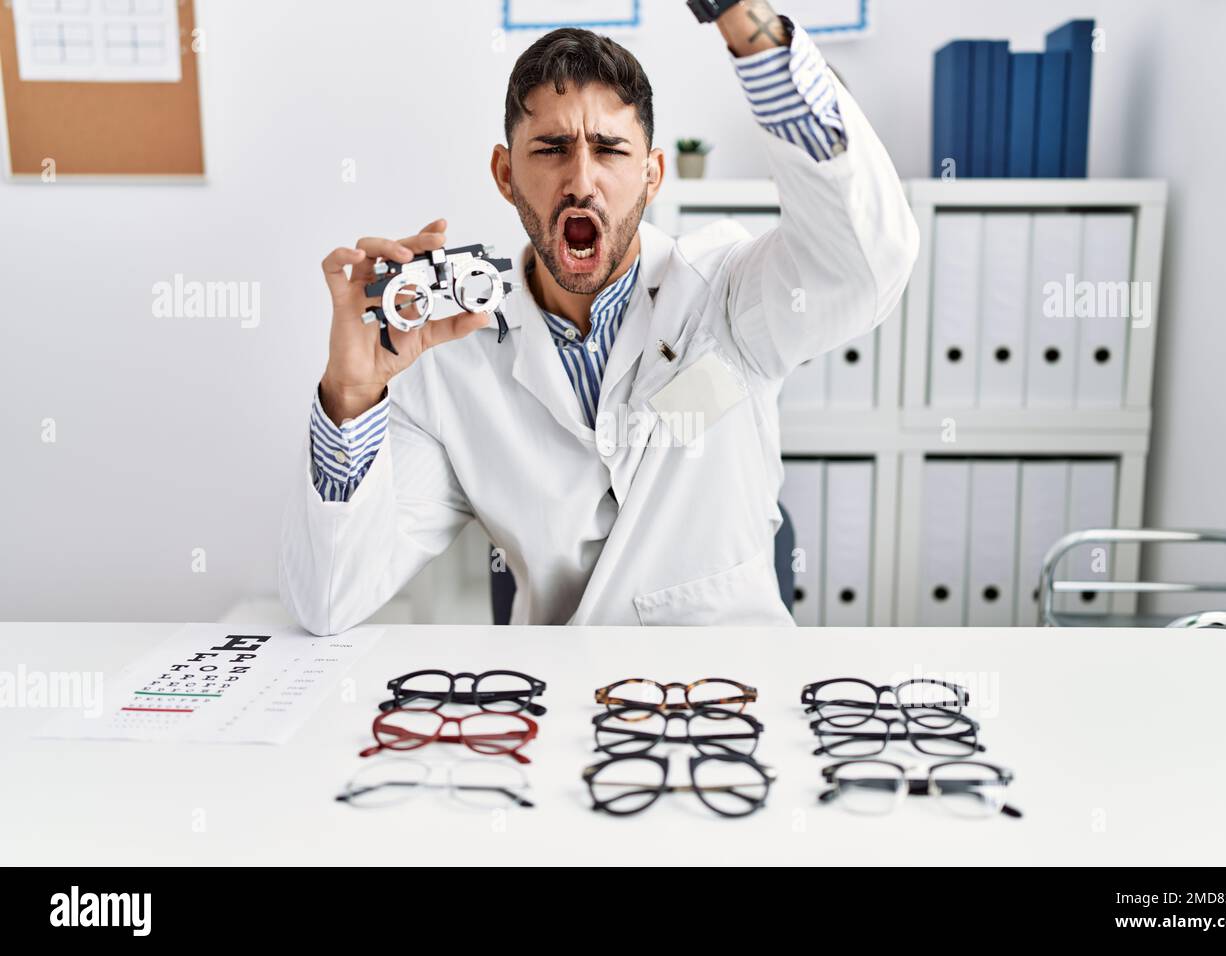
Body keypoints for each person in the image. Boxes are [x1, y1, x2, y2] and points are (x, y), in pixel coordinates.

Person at [279, 0, 918, 634]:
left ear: (651, 174)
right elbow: (331, 599)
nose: (581, 181)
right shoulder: (451, 356)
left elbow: (862, 265)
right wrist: (352, 394)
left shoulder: (726, 293)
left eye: (609, 150)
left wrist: (746, 23)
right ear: (505, 173)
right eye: (552, 148)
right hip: (559, 708)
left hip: (732, 694)